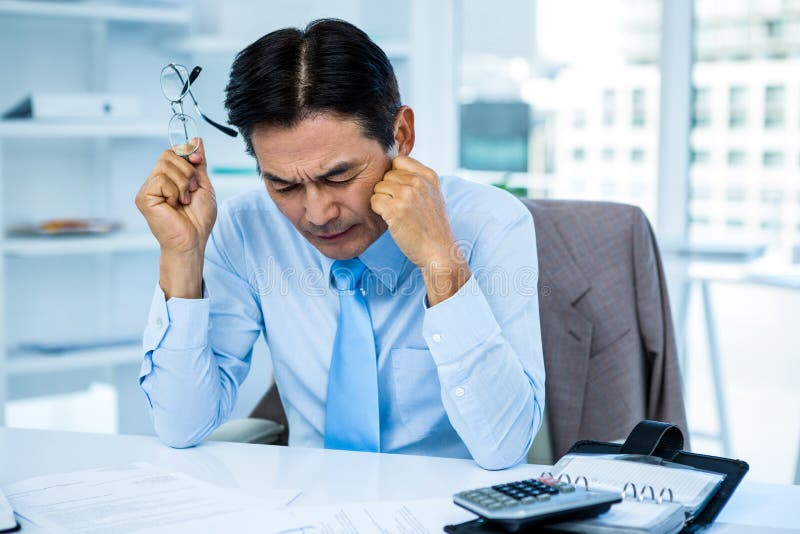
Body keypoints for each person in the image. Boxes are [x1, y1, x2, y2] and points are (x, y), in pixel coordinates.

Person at [135, 18, 544, 470]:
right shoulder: (247, 229)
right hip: (306, 506)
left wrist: (440, 265)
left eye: (340, 176)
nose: (317, 214)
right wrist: (181, 256)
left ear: (402, 135)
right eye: (284, 185)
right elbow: (180, 425)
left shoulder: (493, 224)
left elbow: (505, 447)